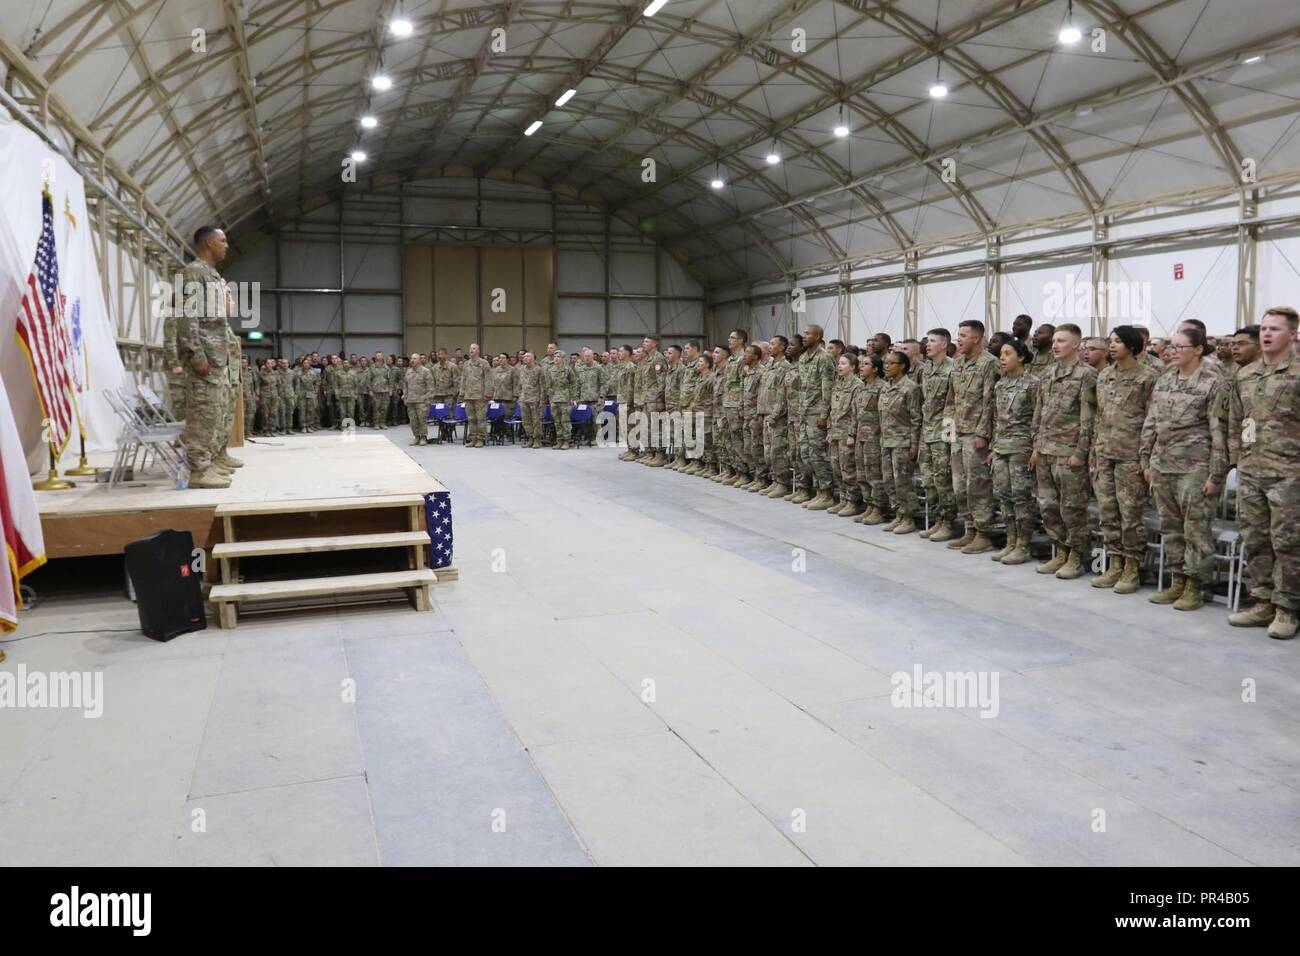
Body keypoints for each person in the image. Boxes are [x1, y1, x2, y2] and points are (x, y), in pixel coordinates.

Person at [1140, 327, 1227, 611]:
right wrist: (1146, 460)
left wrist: (1216, 475)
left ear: (1198, 349)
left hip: (1196, 467)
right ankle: (1177, 580)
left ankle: (1194, 585)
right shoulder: (1165, 379)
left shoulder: (1214, 381)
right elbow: (1152, 422)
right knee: (1171, 528)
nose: (1172, 352)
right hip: (1163, 464)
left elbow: (1219, 432)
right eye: (1171, 347)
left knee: (1195, 531)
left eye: (1180, 347)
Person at [1227, 307, 1300, 638]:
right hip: (1252, 469)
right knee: (1255, 538)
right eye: (1264, 329)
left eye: (1275, 329)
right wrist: (1239, 457)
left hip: (1289, 473)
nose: (1267, 335)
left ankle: (1287, 608)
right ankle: (1262, 601)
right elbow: (1239, 421)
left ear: (1292, 334)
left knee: (1287, 542)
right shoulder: (1246, 375)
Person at [1091, 325, 1158, 593]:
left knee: (1130, 515)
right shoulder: (1105, 375)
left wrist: (1146, 460)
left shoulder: (1147, 377)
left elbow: (1152, 421)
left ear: (1132, 345)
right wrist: (1094, 451)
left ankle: (1132, 568)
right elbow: (1100, 416)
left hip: (1131, 456)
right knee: (1108, 513)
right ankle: (1115, 563)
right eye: (1110, 341)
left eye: (1118, 341)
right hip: (1105, 453)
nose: (1112, 345)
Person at [1030, 324, 1097, 580]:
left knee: (1072, 508)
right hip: (1046, 450)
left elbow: (1088, 418)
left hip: (1068, 453)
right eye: (1055, 340)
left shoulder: (1086, 375)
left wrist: (1081, 452)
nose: (1055, 345)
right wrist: (1037, 446)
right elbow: (1039, 413)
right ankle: (1059, 551)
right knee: (1047, 506)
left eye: (1062, 341)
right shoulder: (1047, 374)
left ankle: (1076, 556)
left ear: (1076, 346)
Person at [176, 225, 233, 488]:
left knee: (213, 412)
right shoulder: (193, 273)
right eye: (222, 240)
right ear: (209, 243)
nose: (226, 245)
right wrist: (196, 354)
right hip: (205, 358)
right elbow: (187, 317)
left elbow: (217, 320)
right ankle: (197, 471)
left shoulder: (211, 275)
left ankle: (209, 462)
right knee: (201, 415)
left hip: (217, 356)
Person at [945, 319, 999, 554]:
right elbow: (950, 399)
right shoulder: (958, 364)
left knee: (977, 486)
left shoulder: (989, 364)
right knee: (959, 486)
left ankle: (983, 533)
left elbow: (990, 402)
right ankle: (969, 529)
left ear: (976, 338)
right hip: (957, 433)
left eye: (963, 335)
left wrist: (983, 434)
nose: (959, 340)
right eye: (958, 335)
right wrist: (948, 432)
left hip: (975, 434)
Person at [988, 338, 1038, 564]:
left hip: (1021, 447)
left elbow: (1039, 419)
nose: (1002, 358)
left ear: (1021, 357)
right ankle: (1011, 540)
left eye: (1007, 353)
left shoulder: (1033, 384)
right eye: (1000, 354)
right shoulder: (1000, 384)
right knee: (1004, 496)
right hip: (1001, 447)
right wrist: (993, 447)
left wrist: (1036, 448)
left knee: (1021, 498)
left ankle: (1024, 545)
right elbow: (997, 419)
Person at [918, 328, 956, 541]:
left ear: (944, 344)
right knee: (928, 480)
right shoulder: (927, 369)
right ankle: (937, 520)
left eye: (932, 341)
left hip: (943, 433)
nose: (928, 344)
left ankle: (948, 522)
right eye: (927, 341)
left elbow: (953, 404)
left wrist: (949, 438)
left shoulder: (953, 368)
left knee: (943, 481)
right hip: (927, 431)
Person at [877, 350, 921, 533]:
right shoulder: (886, 387)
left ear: (902, 366)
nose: (886, 366)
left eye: (891, 363)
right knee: (888, 480)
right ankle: (898, 514)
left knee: (903, 481)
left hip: (902, 441)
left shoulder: (911, 388)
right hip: (886, 440)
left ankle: (908, 517)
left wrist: (914, 444)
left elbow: (916, 418)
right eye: (885, 363)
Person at [795, 323, 836, 510]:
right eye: (804, 333)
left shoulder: (824, 358)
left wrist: (824, 415)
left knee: (818, 455)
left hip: (816, 413)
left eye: (808, 334)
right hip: (804, 413)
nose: (804, 336)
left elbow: (827, 389)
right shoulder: (803, 358)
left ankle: (826, 493)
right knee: (805, 454)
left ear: (818, 337)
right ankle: (813, 490)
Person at [851, 354, 889, 524]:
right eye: (861, 364)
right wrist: (852, 434)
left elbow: (885, 415)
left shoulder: (883, 387)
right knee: (862, 474)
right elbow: (855, 414)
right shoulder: (861, 388)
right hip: (860, 436)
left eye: (866, 364)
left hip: (874, 437)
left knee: (874, 474)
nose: (861, 367)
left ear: (875, 369)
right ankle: (869, 505)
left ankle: (879, 508)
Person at [827, 353, 864, 517]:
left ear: (853, 366)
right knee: (836, 468)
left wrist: (852, 433)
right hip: (835, 431)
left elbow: (857, 413)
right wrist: (829, 430)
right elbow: (832, 409)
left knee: (848, 469)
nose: (839, 366)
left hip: (846, 433)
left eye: (843, 363)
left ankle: (853, 501)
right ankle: (843, 498)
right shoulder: (838, 384)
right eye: (839, 363)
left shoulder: (857, 385)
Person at [758, 336, 792, 496]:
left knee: (778, 452)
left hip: (777, 418)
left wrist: (775, 415)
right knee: (768, 452)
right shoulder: (769, 365)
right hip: (766, 414)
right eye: (769, 344)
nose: (770, 347)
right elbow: (763, 391)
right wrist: (761, 412)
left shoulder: (785, 367)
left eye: (773, 344)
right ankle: (774, 480)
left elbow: (782, 395)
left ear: (782, 347)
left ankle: (783, 483)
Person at [720, 329, 748, 484]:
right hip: (727, 403)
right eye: (729, 337)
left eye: (733, 338)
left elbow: (744, 383)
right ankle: (735, 471)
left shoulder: (743, 359)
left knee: (738, 439)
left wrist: (741, 406)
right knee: (729, 439)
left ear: (741, 341)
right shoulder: (731, 360)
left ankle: (744, 473)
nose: (729, 340)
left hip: (736, 404)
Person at [637, 335, 669, 467]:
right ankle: (651, 453)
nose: (644, 343)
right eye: (643, 341)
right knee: (648, 427)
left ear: (654, 344)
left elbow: (662, 381)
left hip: (655, 400)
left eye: (647, 341)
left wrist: (661, 399)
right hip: (648, 399)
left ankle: (660, 454)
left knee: (657, 427)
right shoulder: (649, 359)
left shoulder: (658, 358)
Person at [684, 353, 715, 475]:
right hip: (697, 411)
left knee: (707, 440)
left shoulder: (711, 378)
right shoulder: (699, 378)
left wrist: (705, 406)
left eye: (701, 362)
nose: (698, 364)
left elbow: (713, 396)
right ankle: (700, 463)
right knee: (699, 439)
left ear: (707, 364)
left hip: (706, 412)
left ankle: (710, 466)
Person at [739, 344, 764, 489]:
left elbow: (762, 395)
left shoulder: (761, 372)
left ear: (755, 356)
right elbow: (744, 393)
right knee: (748, 447)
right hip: (747, 415)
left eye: (748, 353)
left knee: (757, 447)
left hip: (755, 415)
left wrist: (759, 413)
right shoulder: (747, 372)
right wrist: (742, 409)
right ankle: (754, 475)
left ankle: (761, 478)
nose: (744, 355)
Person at [458, 344, 493, 448]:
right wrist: (462, 392)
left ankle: (481, 439)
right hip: (469, 395)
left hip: (480, 396)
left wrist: (488, 393)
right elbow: (463, 378)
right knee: (471, 418)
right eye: (470, 349)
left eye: (473, 348)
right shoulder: (466, 364)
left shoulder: (484, 363)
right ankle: (473, 438)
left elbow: (488, 379)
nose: (471, 350)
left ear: (478, 351)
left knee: (480, 418)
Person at [543, 350, 578, 449]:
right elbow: (548, 385)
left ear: (563, 358)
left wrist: (573, 397)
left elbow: (573, 384)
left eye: (558, 357)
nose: (556, 358)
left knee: (565, 421)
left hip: (565, 399)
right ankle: (559, 440)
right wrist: (550, 397)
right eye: (555, 357)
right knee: (557, 421)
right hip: (554, 399)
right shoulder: (550, 370)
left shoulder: (568, 369)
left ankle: (567, 441)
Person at [404, 353, 434, 445]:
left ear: (419, 360)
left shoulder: (426, 371)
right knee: (413, 420)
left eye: (414, 358)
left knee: (422, 420)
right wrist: (405, 397)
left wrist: (428, 399)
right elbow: (405, 386)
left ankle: (423, 437)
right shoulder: (408, 371)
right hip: (410, 400)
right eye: (411, 358)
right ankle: (416, 436)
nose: (412, 360)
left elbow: (431, 387)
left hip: (422, 401)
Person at [516, 351, 544, 447]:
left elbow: (542, 386)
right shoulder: (521, 369)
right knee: (526, 420)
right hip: (524, 398)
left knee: (536, 420)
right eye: (524, 357)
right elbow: (519, 384)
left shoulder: (538, 370)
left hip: (535, 399)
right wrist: (519, 396)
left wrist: (542, 400)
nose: (525, 358)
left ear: (533, 358)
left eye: (528, 356)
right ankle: (530, 438)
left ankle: (537, 440)